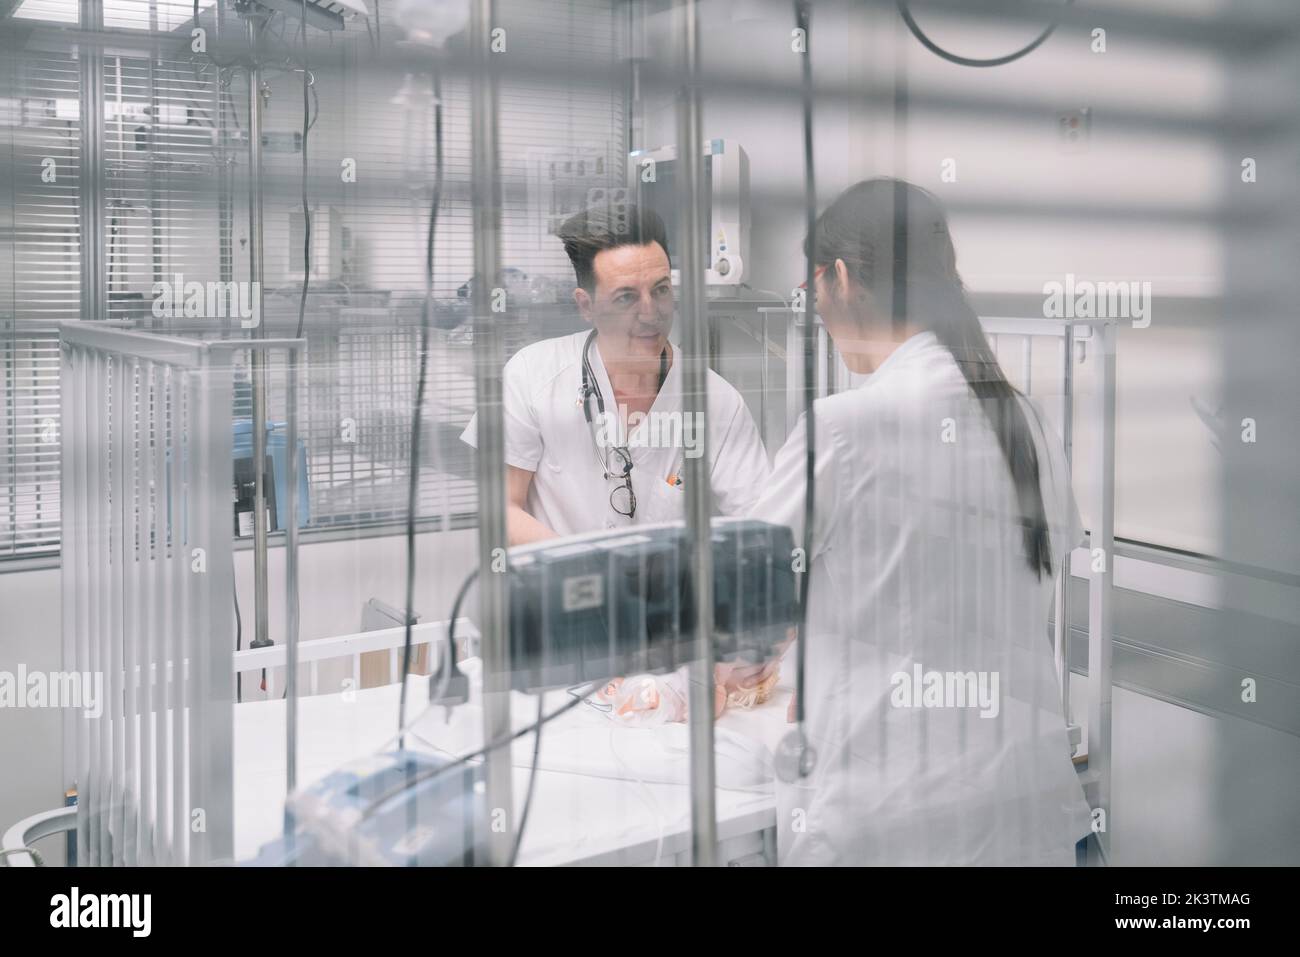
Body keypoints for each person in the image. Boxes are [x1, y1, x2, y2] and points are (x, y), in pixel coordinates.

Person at [751, 178, 1092, 865]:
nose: (815, 305)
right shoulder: (1028, 422)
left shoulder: (844, 427)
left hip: (892, 814)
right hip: (1020, 806)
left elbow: (744, 586)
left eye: (814, 285)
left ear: (840, 276)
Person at [462, 201, 774, 717]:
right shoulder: (533, 378)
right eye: (626, 296)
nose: (650, 313)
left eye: (661, 290)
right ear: (586, 305)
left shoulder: (714, 402)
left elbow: (758, 531)